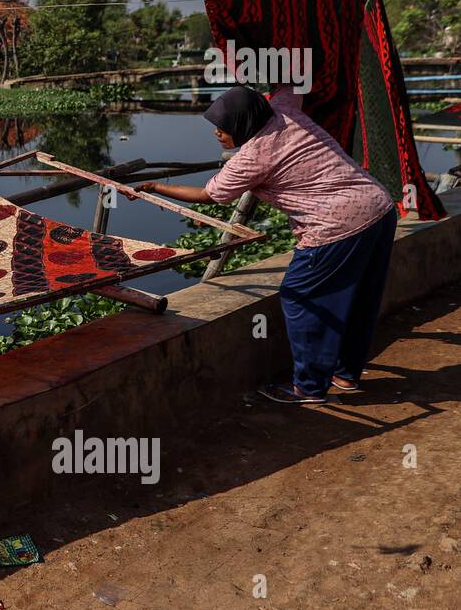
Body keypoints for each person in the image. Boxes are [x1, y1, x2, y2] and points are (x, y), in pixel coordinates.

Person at [121, 85, 397, 404]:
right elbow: (290, 85)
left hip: (337, 225)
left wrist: (156, 186)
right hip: (379, 207)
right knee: (361, 296)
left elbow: (209, 195)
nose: (217, 135)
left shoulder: (252, 157)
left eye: (222, 129)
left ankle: (308, 387)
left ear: (242, 125)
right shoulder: (284, 110)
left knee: (298, 296)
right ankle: (345, 374)